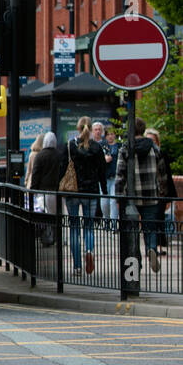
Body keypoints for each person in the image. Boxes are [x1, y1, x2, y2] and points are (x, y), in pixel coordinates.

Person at [116, 119, 165, 272]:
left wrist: (118, 197)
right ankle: (151, 248)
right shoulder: (155, 148)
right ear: (143, 130)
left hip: (132, 197)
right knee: (150, 227)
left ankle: (136, 260)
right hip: (151, 195)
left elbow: (120, 175)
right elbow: (162, 174)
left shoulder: (125, 148)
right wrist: (162, 192)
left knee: (132, 230)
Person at [66, 117, 103, 274]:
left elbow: (63, 165)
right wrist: (105, 191)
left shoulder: (71, 145)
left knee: (74, 228)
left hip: (73, 191)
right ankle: (89, 250)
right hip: (91, 191)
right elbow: (101, 171)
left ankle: (77, 266)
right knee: (88, 226)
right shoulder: (96, 147)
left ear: (78, 128)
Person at [28, 132, 67, 246]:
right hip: (57, 191)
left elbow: (36, 174)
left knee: (46, 216)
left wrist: (33, 189)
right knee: (59, 216)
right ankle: (60, 238)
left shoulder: (40, 155)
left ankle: (48, 237)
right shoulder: (59, 155)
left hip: (43, 191)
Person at [145, 128, 176, 258]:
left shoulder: (161, 154)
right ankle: (150, 247)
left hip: (160, 193)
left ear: (157, 141)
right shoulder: (142, 154)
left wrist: (169, 196)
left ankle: (155, 247)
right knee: (149, 221)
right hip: (146, 192)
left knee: (158, 219)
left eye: (153, 140)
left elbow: (167, 176)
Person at [100, 123, 120, 223]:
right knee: (104, 202)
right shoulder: (102, 146)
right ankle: (106, 220)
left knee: (113, 201)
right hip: (104, 177)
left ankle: (113, 224)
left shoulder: (119, 146)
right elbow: (97, 161)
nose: (110, 136)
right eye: (108, 134)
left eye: (112, 134)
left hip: (115, 177)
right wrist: (104, 160)